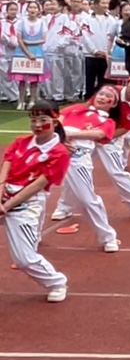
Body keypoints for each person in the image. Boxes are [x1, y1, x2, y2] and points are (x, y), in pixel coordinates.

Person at [52, 72, 130, 223]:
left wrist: (104, 135)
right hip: (87, 133)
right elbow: (86, 108)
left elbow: (126, 128)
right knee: (75, 169)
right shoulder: (111, 91)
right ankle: (65, 206)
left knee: (117, 172)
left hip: (111, 137)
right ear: (127, 83)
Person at [0, 101, 71, 302]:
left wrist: (6, 206)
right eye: (33, 120)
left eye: (43, 120)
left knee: (24, 259)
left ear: (55, 120)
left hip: (26, 204)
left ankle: (56, 282)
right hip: (5, 194)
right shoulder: (20, 142)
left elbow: (39, 185)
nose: (37, 125)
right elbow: (6, 166)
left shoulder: (59, 153)